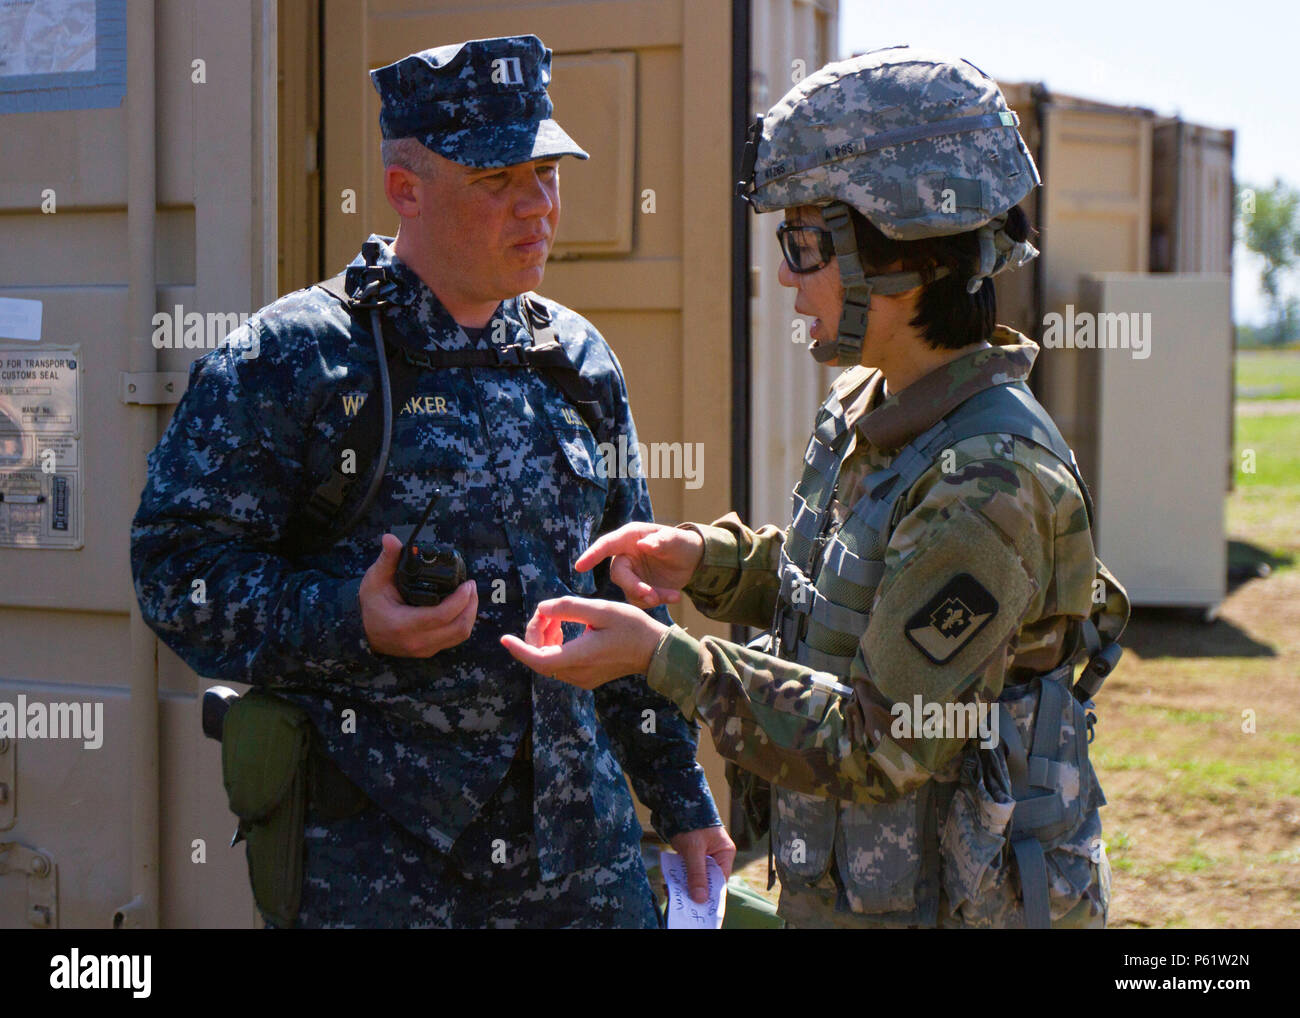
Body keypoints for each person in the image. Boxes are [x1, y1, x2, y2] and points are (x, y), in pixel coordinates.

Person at [502, 45, 1130, 929]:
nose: (788, 275)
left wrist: (661, 658)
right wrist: (710, 562)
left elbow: (882, 744)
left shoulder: (989, 485)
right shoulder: (872, 406)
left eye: (808, 244)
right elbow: (840, 591)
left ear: (909, 256)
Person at [131, 33, 731, 929]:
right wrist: (349, 620)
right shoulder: (296, 358)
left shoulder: (576, 360)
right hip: (385, 873)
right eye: (497, 182)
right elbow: (174, 572)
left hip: (584, 864)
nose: (537, 209)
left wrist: (680, 798)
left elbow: (628, 601)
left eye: (548, 175)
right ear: (405, 190)